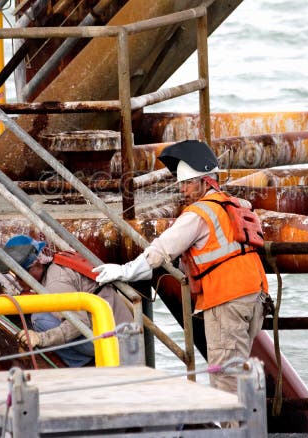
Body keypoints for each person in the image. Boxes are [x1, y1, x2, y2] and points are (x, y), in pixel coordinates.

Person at [92, 140, 269, 394]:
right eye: (181, 183)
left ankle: (238, 432)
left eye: (188, 183)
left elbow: (160, 252)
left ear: (206, 181)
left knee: (225, 383)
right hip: (255, 297)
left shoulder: (198, 214)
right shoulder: (234, 204)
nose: (183, 189)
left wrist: (123, 271)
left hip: (226, 302)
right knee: (238, 374)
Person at [0, 235, 134, 367]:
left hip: (114, 343)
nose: (17, 281)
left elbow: (79, 323)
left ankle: (80, 363)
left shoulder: (55, 283)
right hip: (124, 335)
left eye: (17, 275)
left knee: (39, 318)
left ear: (33, 266)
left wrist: (40, 338)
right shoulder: (56, 267)